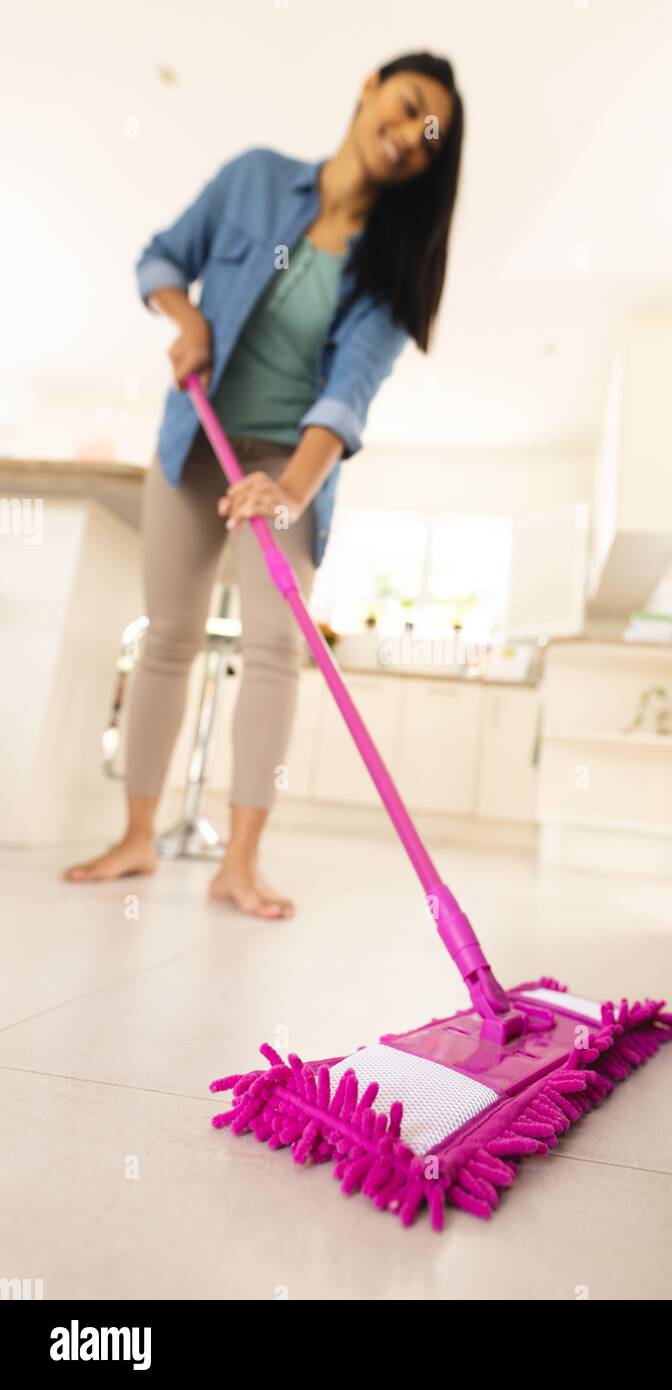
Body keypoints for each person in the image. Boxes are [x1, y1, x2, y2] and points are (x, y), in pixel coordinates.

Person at [64, 52, 464, 918]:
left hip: (289, 463)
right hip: (194, 444)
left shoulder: (392, 266)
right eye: (402, 110)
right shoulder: (254, 181)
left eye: (426, 139)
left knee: (275, 650)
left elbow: (345, 393)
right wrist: (189, 318)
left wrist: (289, 487)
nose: (404, 138)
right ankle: (138, 835)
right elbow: (161, 258)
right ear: (367, 89)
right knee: (168, 637)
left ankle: (238, 862)